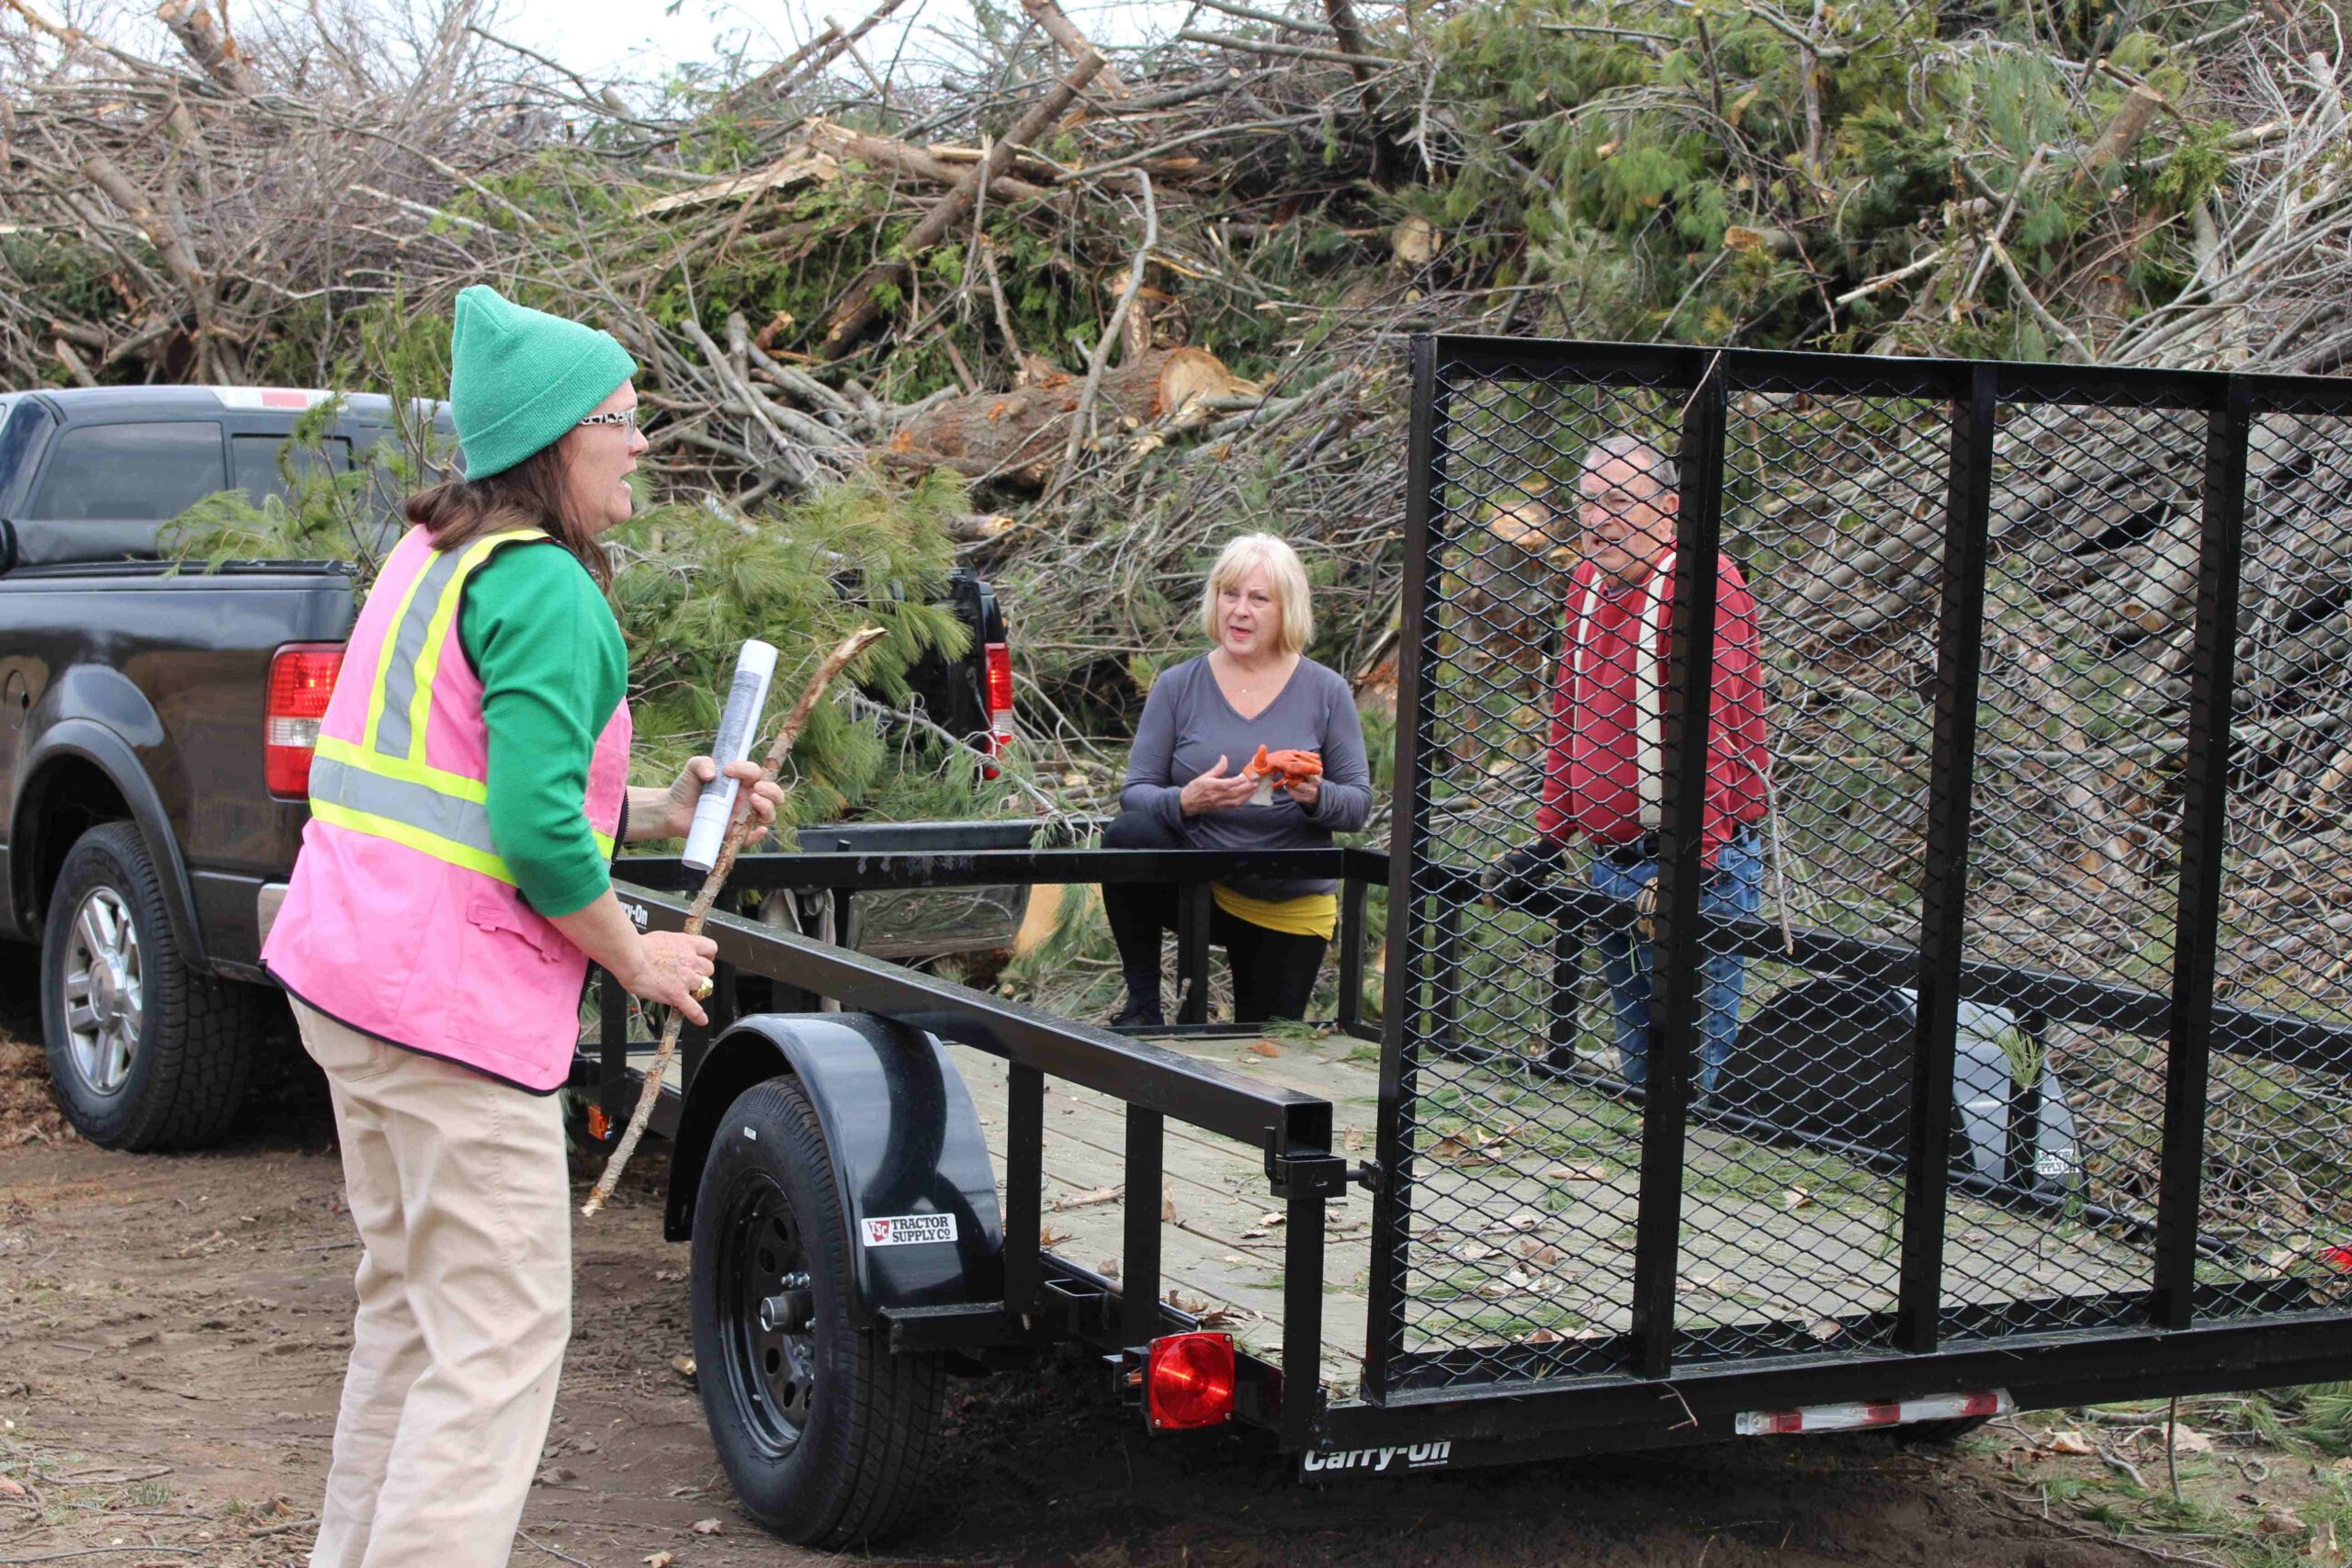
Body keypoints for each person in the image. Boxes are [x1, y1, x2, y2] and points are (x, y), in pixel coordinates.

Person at [260, 285, 786, 1568]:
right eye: (625, 417)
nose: (645, 443)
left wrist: (667, 804)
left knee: (411, 1311)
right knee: (494, 1338)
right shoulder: (548, 589)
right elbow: (539, 839)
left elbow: (484, 785)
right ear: (561, 436)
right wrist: (640, 954)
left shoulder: (435, 553)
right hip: (447, 1015)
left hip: (350, 983)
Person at [1498, 436, 1768, 1106]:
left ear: (1668, 507)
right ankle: (1641, 1196)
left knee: (1699, 1070)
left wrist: (1690, 863)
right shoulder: (1588, 585)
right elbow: (1571, 712)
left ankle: (1702, 1196)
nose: (1598, 519)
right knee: (1639, 1060)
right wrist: (1548, 839)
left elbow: (1715, 731)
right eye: (1588, 502)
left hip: (1697, 866)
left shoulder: (1706, 584)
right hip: (1612, 863)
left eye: (1619, 500)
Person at [1102, 533, 1373, 1027]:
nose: (1240, 611)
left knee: (1262, 1053)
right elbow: (1135, 792)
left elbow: (1358, 804)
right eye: (1230, 594)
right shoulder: (1178, 685)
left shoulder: (1326, 690)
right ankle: (1143, 1006)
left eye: (1258, 598)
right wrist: (1187, 800)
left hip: (1286, 894)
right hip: (1198, 882)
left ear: (1285, 609)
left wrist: (1315, 795)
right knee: (1126, 836)